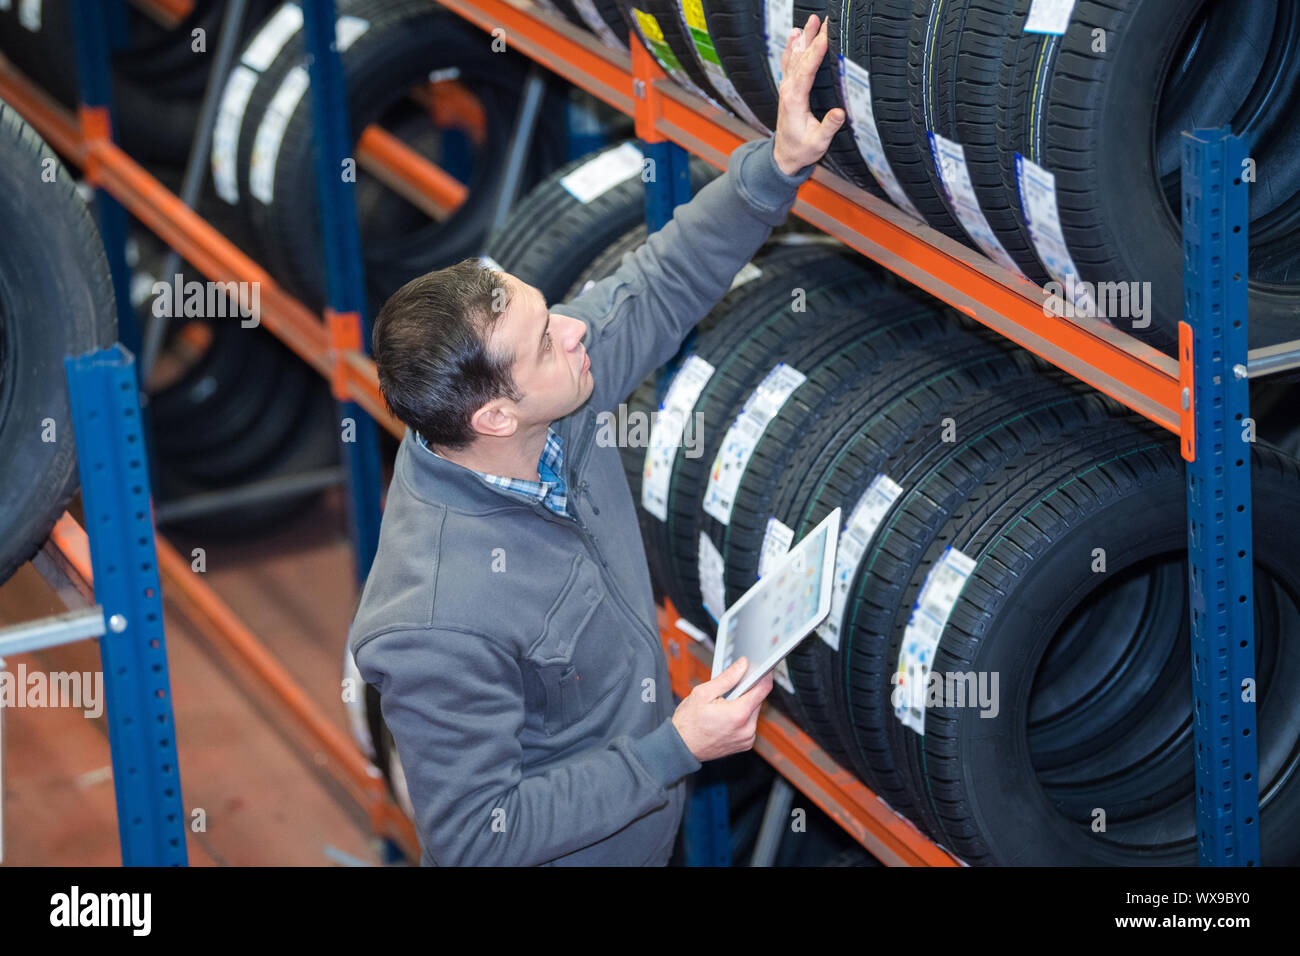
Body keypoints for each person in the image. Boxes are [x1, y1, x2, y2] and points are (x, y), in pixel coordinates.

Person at [348, 15, 847, 866]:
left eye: (552, 318)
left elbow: (658, 283)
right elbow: (475, 839)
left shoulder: (548, 405)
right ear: (494, 417)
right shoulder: (434, 621)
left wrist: (779, 165)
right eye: (546, 341)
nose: (575, 335)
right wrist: (674, 749)